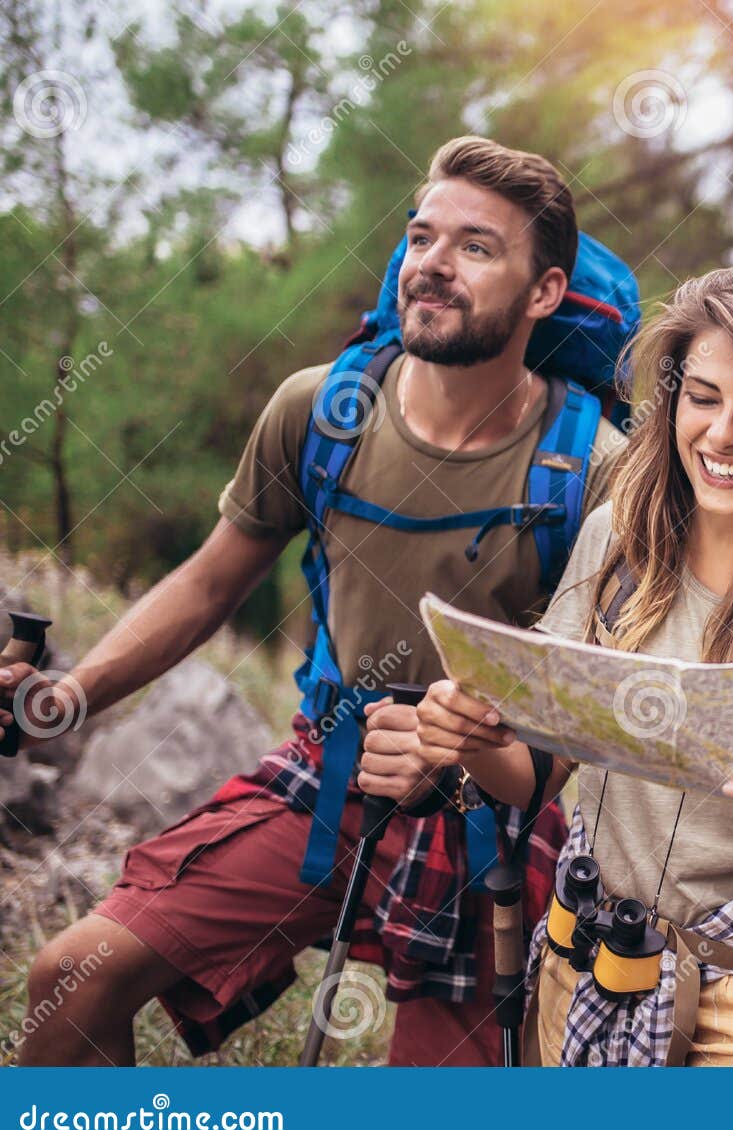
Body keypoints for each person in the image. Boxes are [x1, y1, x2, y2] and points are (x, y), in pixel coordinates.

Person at [6, 136, 628, 1065]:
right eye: (421, 237)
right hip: (328, 770)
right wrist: (67, 693)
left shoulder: (598, 469)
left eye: (475, 247)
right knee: (70, 974)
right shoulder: (323, 412)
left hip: (492, 814)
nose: (432, 265)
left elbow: (594, 710)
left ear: (543, 291)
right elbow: (212, 581)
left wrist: (470, 751)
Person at [376, 266, 733, 1065]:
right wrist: (469, 741)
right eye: (702, 397)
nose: (722, 435)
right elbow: (538, 772)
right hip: (585, 965)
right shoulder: (615, 544)